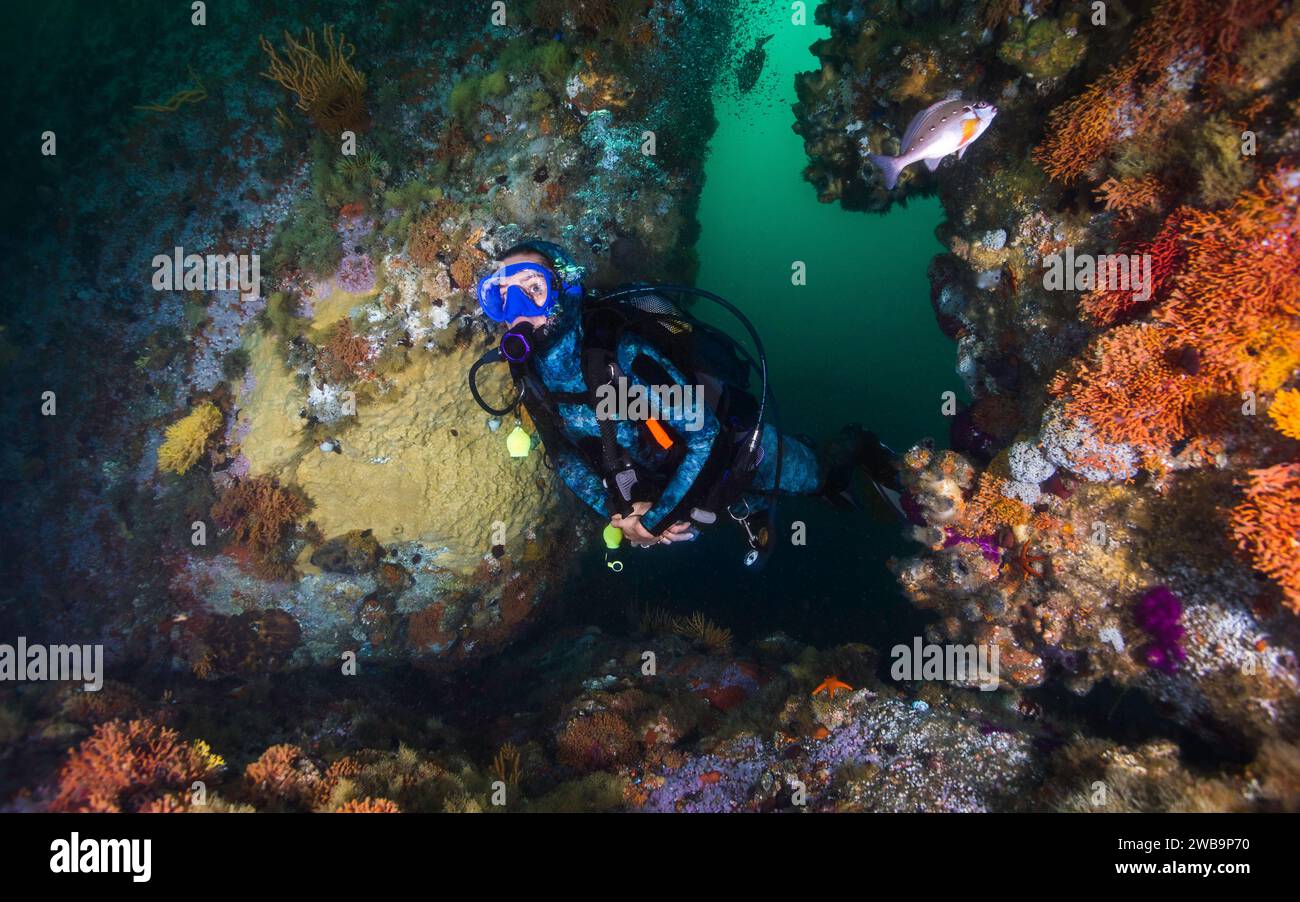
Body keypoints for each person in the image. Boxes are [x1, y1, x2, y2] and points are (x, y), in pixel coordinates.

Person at [470, 239, 900, 558]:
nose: (516, 310)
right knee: (747, 503)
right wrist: (622, 518)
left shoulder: (621, 356)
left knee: (820, 479)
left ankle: (856, 444)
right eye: (501, 295)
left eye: (532, 287)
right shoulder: (528, 371)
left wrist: (654, 523)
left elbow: (706, 437)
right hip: (668, 482)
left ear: (565, 291)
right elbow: (562, 456)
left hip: (738, 450)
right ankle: (751, 504)